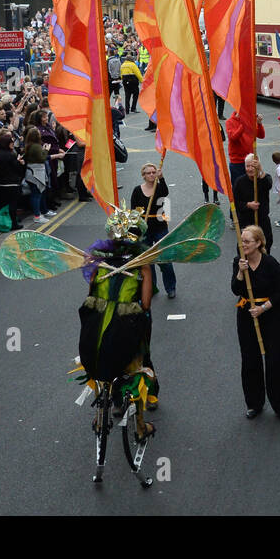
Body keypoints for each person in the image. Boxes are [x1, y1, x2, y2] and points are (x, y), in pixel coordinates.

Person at [77, 207, 158, 432]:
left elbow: (90, 291)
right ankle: (140, 426)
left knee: (97, 362)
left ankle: (100, 416)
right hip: (126, 326)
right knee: (136, 367)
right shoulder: (142, 263)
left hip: (95, 325)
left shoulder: (98, 261)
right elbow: (147, 303)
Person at [232, 225, 280, 422]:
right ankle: (254, 403)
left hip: (270, 316)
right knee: (250, 361)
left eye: (247, 241)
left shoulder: (270, 263)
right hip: (247, 315)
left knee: (273, 363)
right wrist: (240, 273)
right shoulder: (238, 262)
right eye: (242, 241)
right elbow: (235, 289)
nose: (243, 245)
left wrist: (263, 308)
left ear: (259, 243)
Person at [130, 162, 177, 300]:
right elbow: (134, 211)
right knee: (148, 261)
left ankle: (171, 288)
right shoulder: (137, 190)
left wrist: (161, 178)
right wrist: (136, 227)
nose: (151, 175)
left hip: (160, 228)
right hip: (145, 230)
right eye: (148, 173)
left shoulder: (159, 188)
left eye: (153, 172)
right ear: (143, 176)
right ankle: (151, 287)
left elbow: (165, 193)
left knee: (165, 260)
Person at [232, 154, 273, 252]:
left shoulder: (264, 178)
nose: (249, 169)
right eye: (247, 166)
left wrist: (260, 170)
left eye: (252, 166)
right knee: (244, 248)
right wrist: (248, 205)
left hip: (262, 221)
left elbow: (268, 184)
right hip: (247, 222)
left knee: (266, 245)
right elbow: (236, 203)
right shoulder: (239, 182)